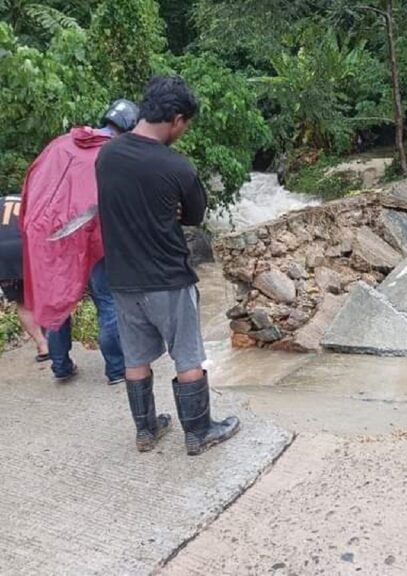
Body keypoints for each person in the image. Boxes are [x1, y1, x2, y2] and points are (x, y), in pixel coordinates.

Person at [96, 76, 240, 455]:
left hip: (123, 278)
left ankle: (145, 431)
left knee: (136, 357)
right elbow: (192, 215)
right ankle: (199, 432)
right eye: (185, 124)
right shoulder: (176, 167)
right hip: (168, 278)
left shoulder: (106, 156)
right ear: (176, 119)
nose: (183, 130)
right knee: (187, 356)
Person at [20, 99, 140, 385]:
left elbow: (34, 185)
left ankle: (60, 366)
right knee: (108, 302)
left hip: (54, 237)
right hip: (97, 240)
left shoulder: (60, 145)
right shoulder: (115, 153)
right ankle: (115, 370)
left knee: (57, 297)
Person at [0, 195, 49, 360]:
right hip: (28, 248)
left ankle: (43, 346)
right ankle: (56, 341)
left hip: (3, 254)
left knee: (22, 302)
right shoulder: (31, 200)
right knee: (44, 296)